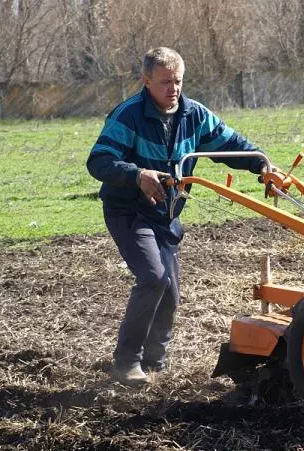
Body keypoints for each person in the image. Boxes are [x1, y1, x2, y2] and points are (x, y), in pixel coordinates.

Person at [87, 47, 267, 386]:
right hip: (129, 210)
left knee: (169, 292)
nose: (174, 89)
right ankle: (126, 362)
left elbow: (231, 144)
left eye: (179, 81)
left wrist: (263, 164)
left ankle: (155, 363)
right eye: (166, 82)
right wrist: (137, 175)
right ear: (146, 80)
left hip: (165, 214)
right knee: (153, 278)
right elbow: (98, 161)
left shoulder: (194, 115)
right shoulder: (129, 116)